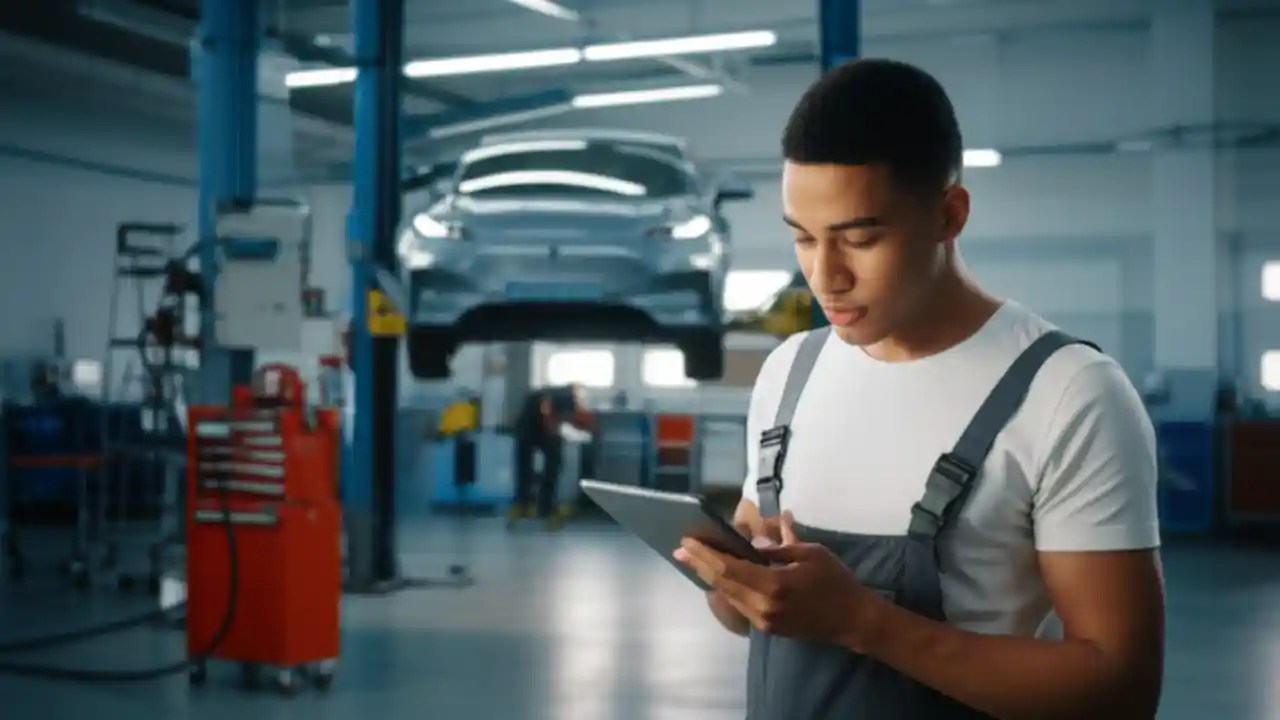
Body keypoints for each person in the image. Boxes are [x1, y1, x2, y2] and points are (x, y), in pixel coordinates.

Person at [674, 59, 1165, 719]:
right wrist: (734, 583)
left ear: (949, 215)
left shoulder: (1069, 395)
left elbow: (1120, 688)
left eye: (861, 238)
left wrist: (864, 622)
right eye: (803, 239)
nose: (827, 277)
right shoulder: (790, 372)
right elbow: (743, 620)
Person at [509, 383, 593, 528]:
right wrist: (555, 430)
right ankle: (524, 503)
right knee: (524, 468)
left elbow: (572, 421)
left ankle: (544, 506)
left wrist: (577, 431)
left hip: (543, 427)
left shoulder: (568, 401)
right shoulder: (546, 403)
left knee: (554, 465)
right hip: (526, 429)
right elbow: (551, 421)